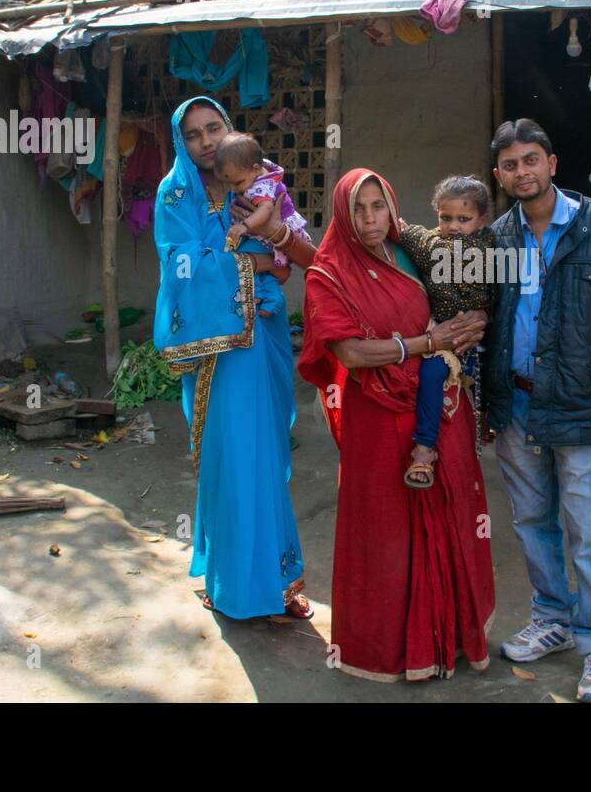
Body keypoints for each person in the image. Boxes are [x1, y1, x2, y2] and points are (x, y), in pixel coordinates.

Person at [298, 168, 495, 682]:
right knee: (386, 532)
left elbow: (464, 301)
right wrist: (429, 343)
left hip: (440, 407)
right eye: (358, 209)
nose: (369, 219)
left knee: (451, 518)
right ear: (343, 212)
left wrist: (473, 326)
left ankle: (446, 640)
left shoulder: (411, 253)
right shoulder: (328, 272)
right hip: (378, 418)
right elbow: (352, 353)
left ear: (392, 207)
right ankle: (386, 648)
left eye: (378, 206)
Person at [483, 117, 591, 702]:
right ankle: (552, 620)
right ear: (500, 174)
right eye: (509, 164)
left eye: (531, 159)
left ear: (552, 164)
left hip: (580, 407)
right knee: (532, 523)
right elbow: (488, 325)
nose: (521, 171)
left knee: (587, 529)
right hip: (519, 406)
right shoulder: (497, 237)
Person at [153, 96, 316, 620]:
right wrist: (260, 265)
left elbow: (300, 245)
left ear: (228, 128)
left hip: (262, 335)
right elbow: (180, 264)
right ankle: (233, 586)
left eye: (213, 128)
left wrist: (276, 255)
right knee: (232, 461)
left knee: (266, 458)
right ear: (182, 139)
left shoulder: (258, 181)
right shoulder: (175, 193)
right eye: (194, 133)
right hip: (218, 350)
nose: (204, 140)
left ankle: (279, 580)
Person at [395, 175, 495, 488]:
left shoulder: (483, 245)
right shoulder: (435, 239)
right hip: (442, 338)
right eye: (445, 217)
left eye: (464, 219)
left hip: (477, 338)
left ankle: (488, 423)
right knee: (432, 373)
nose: (453, 226)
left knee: (490, 383)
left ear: (481, 220)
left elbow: (432, 251)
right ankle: (425, 449)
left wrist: (406, 232)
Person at [213, 131, 313, 267]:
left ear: (256, 169)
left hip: (275, 233)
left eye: (237, 183)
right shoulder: (252, 171)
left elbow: (266, 210)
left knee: (236, 259)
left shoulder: (261, 187)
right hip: (269, 233)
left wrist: (244, 226)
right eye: (229, 184)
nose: (233, 189)